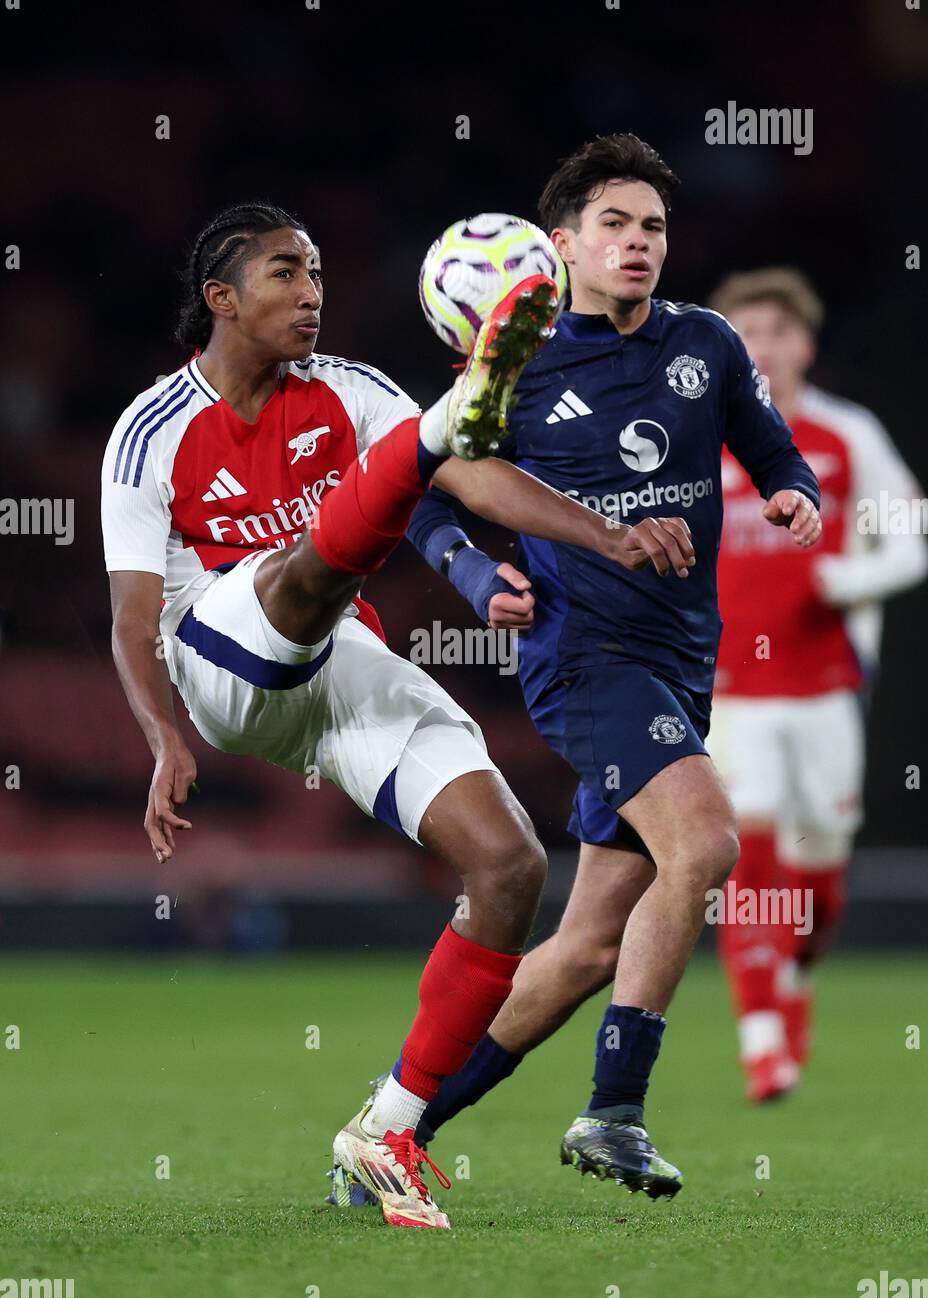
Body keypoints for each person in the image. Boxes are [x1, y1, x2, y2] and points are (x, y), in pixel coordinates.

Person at [102, 201, 686, 1228]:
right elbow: (133, 615)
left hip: (339, 657)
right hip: (219, 650)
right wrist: (161, 739)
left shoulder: (353, 391)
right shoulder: (152, 428)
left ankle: (389, 1129)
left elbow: (475, 481)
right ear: (222, 298)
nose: (312, 293)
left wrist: (609, 535)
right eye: (286, 273)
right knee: (301, 569)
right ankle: (449, 413)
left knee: (510, 863)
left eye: (320, 272)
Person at [346, 135, 822, 1201]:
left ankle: (390, 1128)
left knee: (585, 944)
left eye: (652, 225)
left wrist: (795, 492)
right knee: (703, 842)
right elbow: (417, 486)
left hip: (677, 662)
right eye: (613, 224)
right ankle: (613, 1110)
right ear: (557, 247)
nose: (638, 242)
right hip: (584, 656)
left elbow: (766, 440)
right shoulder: (512, 368)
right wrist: (473, 578)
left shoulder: (703, 341)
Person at [706, 267, 928, 1101]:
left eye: (776, 330)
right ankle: (762, 1040)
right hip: (732, 692)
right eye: (746, 331)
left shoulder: (844, 435)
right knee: (750, 856)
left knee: (821, 882)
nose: (762, 346)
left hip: (827, 687)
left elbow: (912, 535)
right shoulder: (698, 434)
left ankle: (793, 984)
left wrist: (849, 576)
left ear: (806, 342)